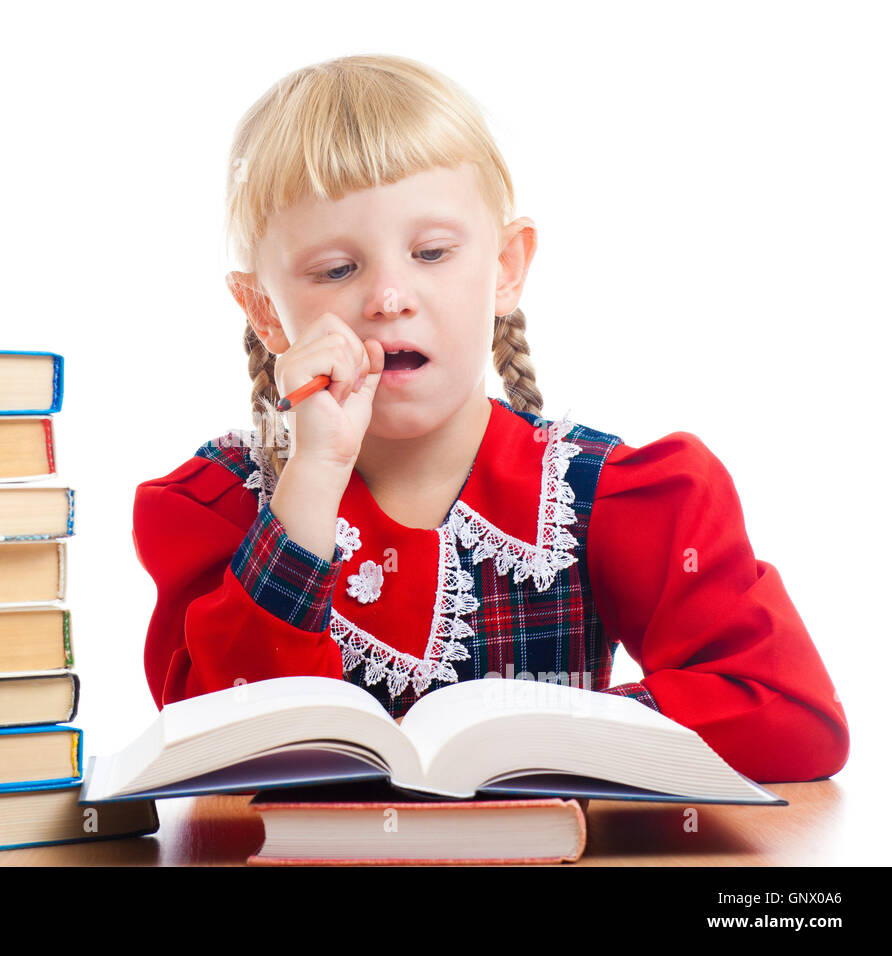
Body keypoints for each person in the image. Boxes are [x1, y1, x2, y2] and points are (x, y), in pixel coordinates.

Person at [131, 54, 847, 783]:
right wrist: (312, 474)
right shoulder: (217, 508)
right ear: (263, 310)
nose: (388, 297)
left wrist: (543, 739)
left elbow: (788, 715)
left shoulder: (617, 496)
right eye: (336, 271)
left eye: (431, 253)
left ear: (505, 267)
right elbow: (220, 748)